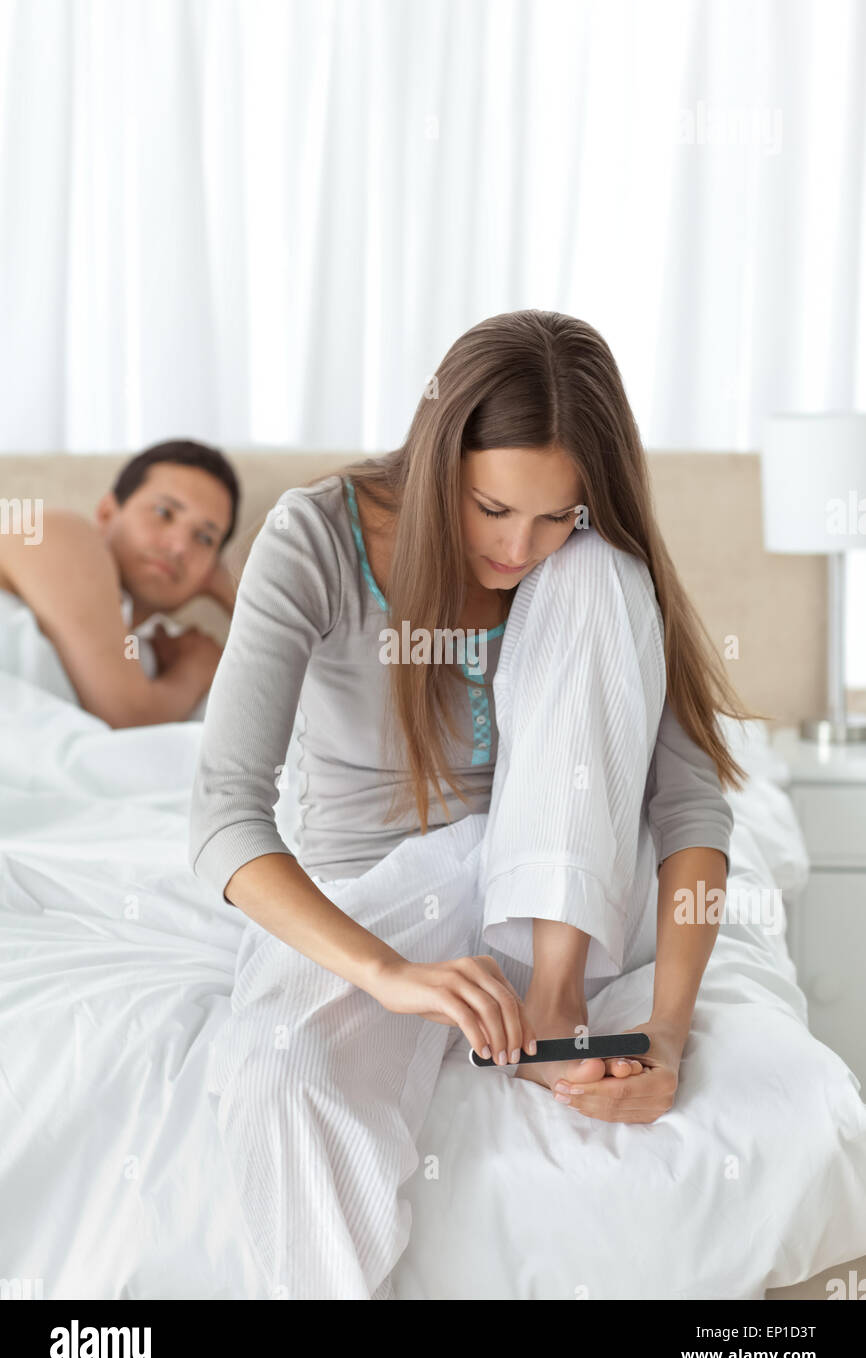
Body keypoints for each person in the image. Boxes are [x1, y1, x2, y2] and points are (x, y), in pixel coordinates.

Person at [188, 309, 759, 1300]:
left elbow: (689, 806)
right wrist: (389, 975)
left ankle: (551, 1006)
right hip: (369, 913)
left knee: (601, 573)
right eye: (491, 508)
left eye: (553, 514)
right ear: (439, 456)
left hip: (560, 914)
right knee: (276, 1075)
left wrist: (665, 1027)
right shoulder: (315, 536)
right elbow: (222, 815)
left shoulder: (583, 568)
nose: (517, 547)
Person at [0, 438, 240, 726]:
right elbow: (128, 715)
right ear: (106, 513)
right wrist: (196, 669)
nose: (179, 547)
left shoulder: (155, 656)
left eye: (204, 538)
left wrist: (230, 588)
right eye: (164, 513)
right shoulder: (60, 533)